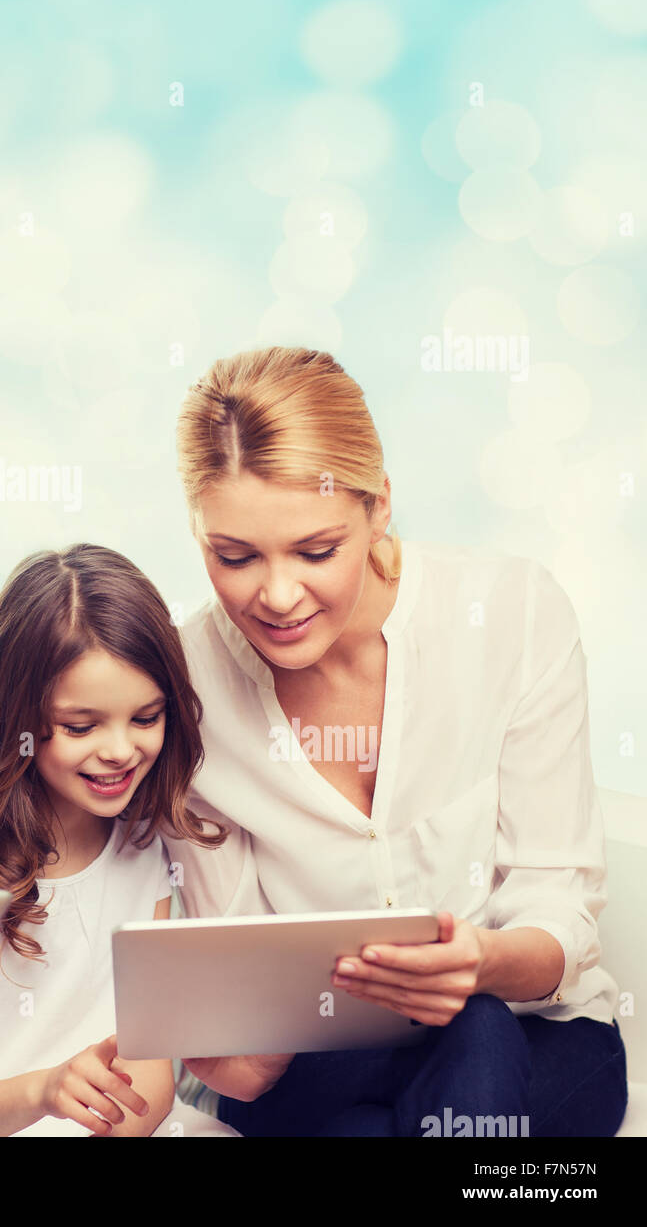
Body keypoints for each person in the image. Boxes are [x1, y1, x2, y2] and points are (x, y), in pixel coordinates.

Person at [168, 345, 628, 1136]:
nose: (276, 596)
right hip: (321, 1056)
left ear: (379, 505)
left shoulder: (510, 612)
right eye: (233, 556)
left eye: (315, 551)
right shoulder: (185, 688)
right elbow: (238, 989)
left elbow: (559, 906)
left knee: (474, 1027)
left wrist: (479, 963)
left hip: (532, 1030)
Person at [0, 544, 242, 1136]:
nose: (120, 750)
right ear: (17, 718)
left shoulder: (144, 847)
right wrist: (43, 1092)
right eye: (80, 726)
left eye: (145, 718)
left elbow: (149, 1075)